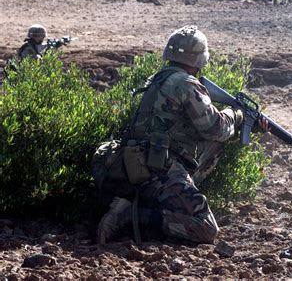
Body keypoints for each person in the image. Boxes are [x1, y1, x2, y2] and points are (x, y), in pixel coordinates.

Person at [96, 25, 267, 245]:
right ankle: (134, 215)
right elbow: (216, 128)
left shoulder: (158, 79)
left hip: (137, 163)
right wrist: (238, 115)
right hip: (161, 169)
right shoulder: (186, 83)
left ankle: (147, 203)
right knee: (205, 230)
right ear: (199, 59)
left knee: (212, 147)